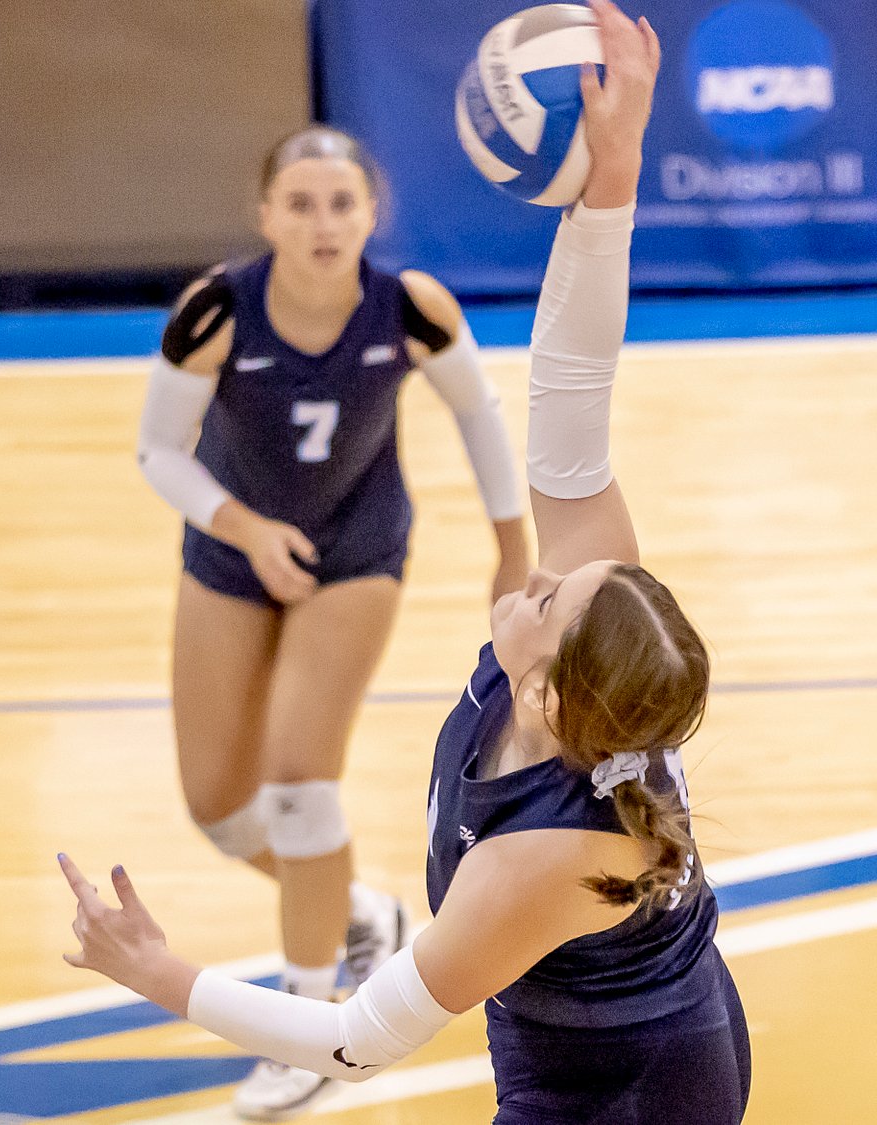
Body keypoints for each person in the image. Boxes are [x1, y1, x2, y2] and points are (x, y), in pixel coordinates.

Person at [69, 5, 748, 1121]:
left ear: (546, 684)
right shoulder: (580, 677)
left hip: (621, 1095)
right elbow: (568, 383)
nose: (545, 570)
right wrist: (611, 177)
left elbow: (351, 1043)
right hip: (624, 1040)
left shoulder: (547, 861)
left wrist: (160, 975)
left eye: (557, 592)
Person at [135, 116, 531, 1116]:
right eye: (300, 204)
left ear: (370, 214)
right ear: (266, 214)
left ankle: (307, 1028)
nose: (321, 223)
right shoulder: (216, 309)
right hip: (231, 549)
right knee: (221, 808)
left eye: (341, 204)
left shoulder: (410, 308)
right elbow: (157, 452)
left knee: (300, 784)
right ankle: (360, 913)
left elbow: (480, 415)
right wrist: (247, 530)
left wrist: (512, 548)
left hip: (357, 552)